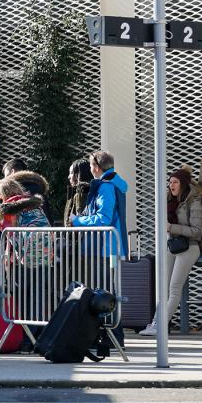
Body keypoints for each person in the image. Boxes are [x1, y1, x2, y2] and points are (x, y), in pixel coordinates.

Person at [71, 149, 130, 350]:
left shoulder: (106, 187)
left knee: (104, 294)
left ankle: (112, 336)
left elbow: (102, 219)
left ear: (96, 167)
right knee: (108, 291)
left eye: (90, 166)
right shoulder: (116, 184)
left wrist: (77, 220)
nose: (90, 169)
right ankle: (113, 335)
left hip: (102, 247)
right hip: (110, 246)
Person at [140, 166, 202, 337]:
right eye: (170, 182)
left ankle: (159, 325)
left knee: (174, 288)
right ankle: (155, 323)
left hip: (189, 247)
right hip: (173, 245)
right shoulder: (169, 200)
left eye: (175, 182)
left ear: (183, 184)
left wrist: (171, 227)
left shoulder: (194, 201)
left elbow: (197, 231)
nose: (171, 185)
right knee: (162, 288)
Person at [64, 158, 94, 226]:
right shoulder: (76, 192)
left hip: (78, 235)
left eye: (71, 173)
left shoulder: (82, 194)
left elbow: (79, 219)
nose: (69, 177)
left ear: (79, 174)